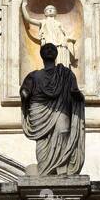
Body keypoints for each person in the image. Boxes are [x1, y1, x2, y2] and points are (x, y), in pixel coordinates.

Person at [19, 43, 85, 176]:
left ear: (56, 54)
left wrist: (77, 95)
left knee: (63, 131)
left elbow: (74, 90)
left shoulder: (65, 74)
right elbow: (25, 91)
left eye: (52, 49)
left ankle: (62, 167)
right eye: (46, 49)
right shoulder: (34, 76)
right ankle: (44, 169)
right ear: (41, 55)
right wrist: (25, 94)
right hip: (39, 111)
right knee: (42, 141)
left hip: (61, 110)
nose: (49, 50)